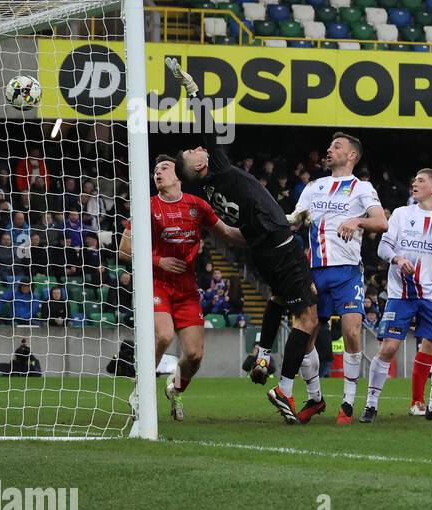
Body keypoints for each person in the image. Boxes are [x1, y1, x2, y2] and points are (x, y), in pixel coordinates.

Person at [165, 57, 319, 424]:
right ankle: (284, 387)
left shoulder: (208, 187)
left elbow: (241, 228)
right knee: (309, 317)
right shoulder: (216, 168)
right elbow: (208, 127)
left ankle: (263, 351)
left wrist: (285, 220)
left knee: (282, 298)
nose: (199, 150)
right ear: (201, 164)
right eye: (194, 153)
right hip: (278, 247)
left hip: (265, 246)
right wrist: (192, 90)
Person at [119, 155, 245, 420]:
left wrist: (265, 233)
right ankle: (140, 391)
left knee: (195, 355)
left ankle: (174, 389)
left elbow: (228, 233)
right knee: (163, 335)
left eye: (164, 168)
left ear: (178, 176)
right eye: (154, 170)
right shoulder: (146, 207)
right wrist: (159, 261)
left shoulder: (197, 206)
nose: (157, 172)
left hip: (187, 290)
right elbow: (124, 251)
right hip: (156, 284)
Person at [287, 132, 388, 425]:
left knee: (352, 332)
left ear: (352, 156)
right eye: (330, 147)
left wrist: (357, 220)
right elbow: (295, 221)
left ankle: (347, 403)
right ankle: (315, 397)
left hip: (346, 272)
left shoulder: (362, 188)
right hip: (314, 272)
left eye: (336, 147)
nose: (329, 151)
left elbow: (381, 222)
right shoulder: (314, 187)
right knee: (306, 338)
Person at [363, 169, 432, 422]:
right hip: (401, 295)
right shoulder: (401, 214)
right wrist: (397, 258)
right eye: (414, 179)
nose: (414, 183)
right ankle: (371, 405)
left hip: (431, 297)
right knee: (389, 348)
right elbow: (384, 246)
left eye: (421, 180)